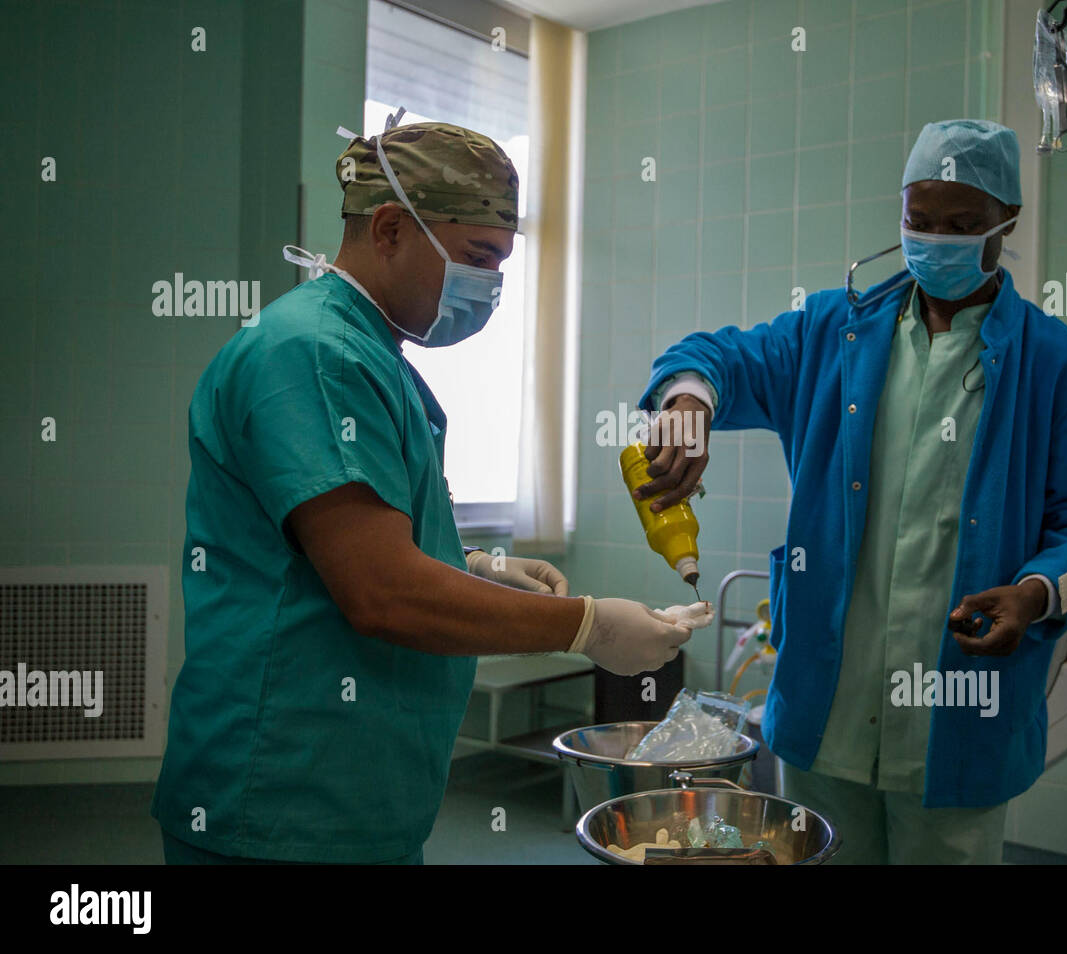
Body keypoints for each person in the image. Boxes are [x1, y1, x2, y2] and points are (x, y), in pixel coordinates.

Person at [151, 117, 691, 865]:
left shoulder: (366, 353)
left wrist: (471, 566)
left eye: (501, 266)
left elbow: (346, 542)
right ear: (391, 228)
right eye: (477, 259)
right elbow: (381, 591)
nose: (491, 288)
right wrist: (587, 627)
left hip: (351, 791)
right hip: (283, 797)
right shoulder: (315, 354)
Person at [634, 119, 1067, 864]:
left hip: (961, 709)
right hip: (823, 703)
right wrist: (689, 403)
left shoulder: (1065, 368)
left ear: (1007, 223)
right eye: (918, 221)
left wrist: (1034, 593)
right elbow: (715, 357)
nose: (935, 240)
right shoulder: (831, 333)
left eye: (962, 225)